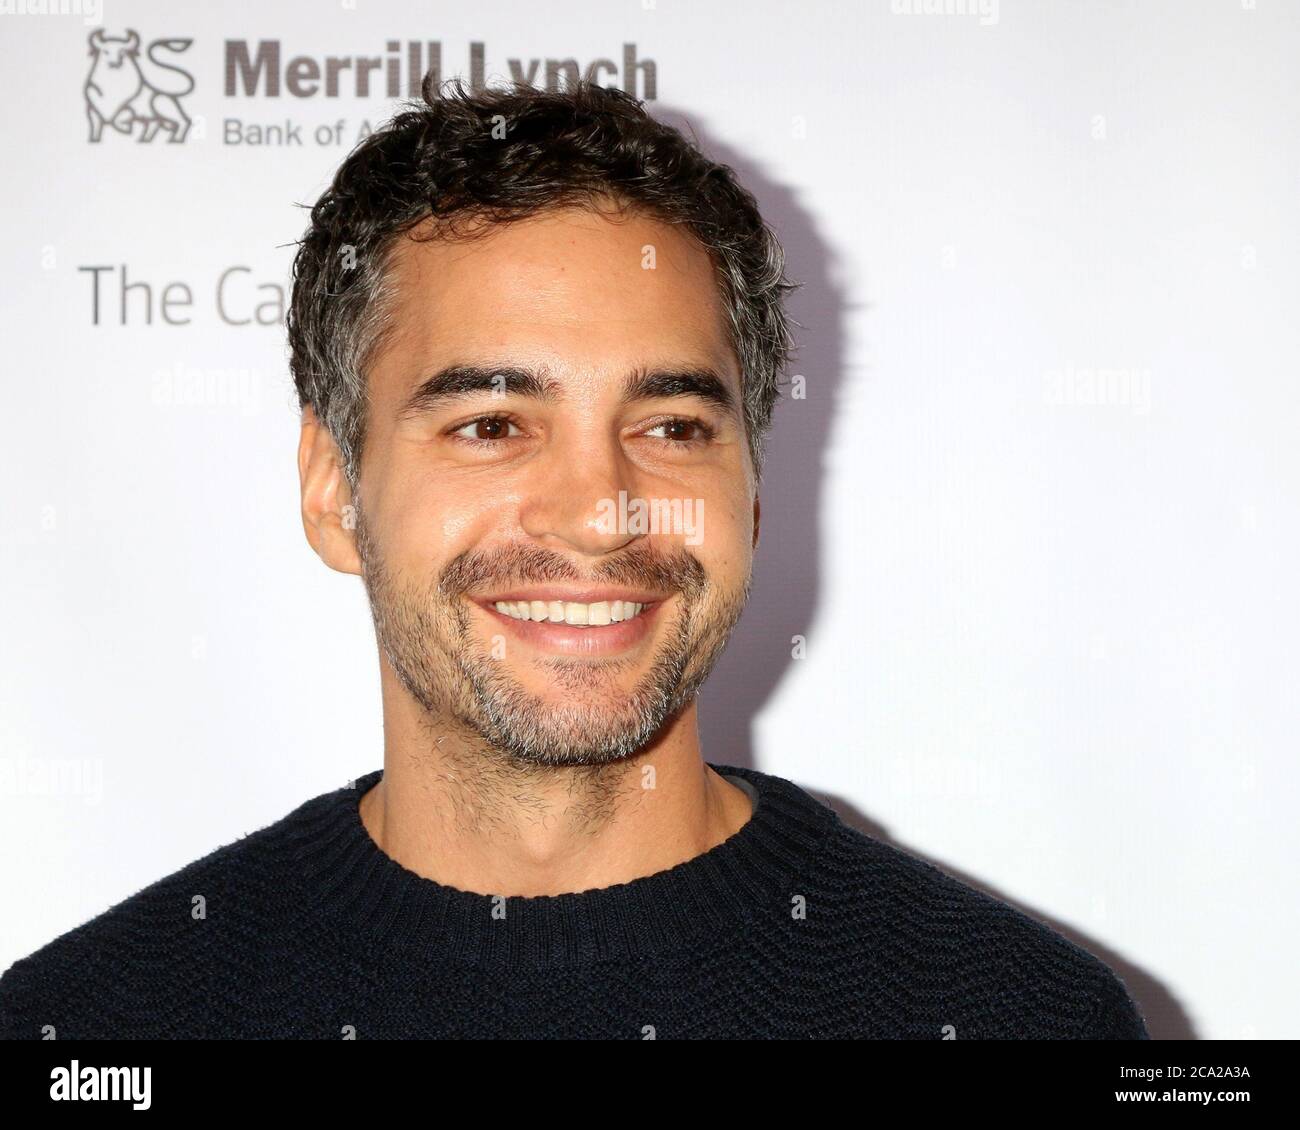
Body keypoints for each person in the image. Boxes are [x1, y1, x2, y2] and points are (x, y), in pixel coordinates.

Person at [0, 78, 1148, 1039]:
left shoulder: (1014, 1015)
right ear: (332, 488)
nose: (601, 513)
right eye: (492, 424)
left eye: (670, 426)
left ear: (749, 493)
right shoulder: (92, 1025)